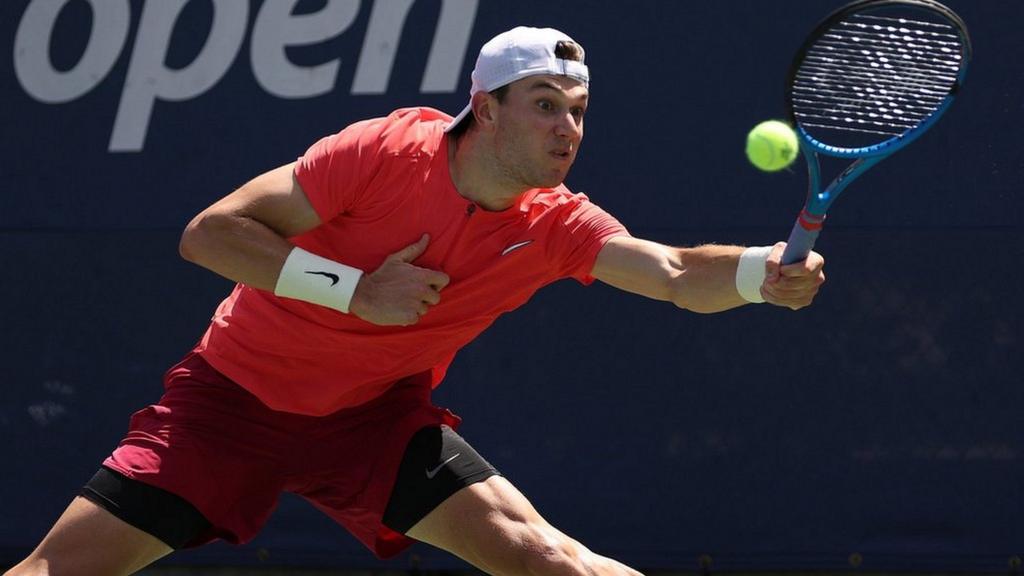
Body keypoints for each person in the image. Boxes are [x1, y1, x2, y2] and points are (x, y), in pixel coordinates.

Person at [7, 26, 824, 576]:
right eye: (544, 105)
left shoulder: (554, 224)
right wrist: (357, 292)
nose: (566, 128)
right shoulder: (383, 153)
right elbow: (211, 235)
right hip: (228, 407)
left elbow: (678, 273)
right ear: (487, 107)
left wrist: (760, 274)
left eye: (576, 112)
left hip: (372, 422)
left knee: (547, 560)